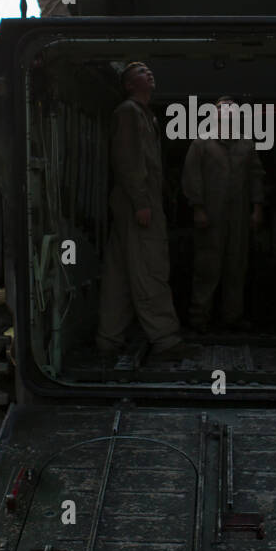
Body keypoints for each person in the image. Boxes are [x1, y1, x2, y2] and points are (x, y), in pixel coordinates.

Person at [97, 62, 189, 358]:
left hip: (133, 206)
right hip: (138, 207)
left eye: (150, 70)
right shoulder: (129, 112)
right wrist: (142, 203)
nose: (148, 73)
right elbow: (128, 160)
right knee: (150, 269)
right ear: (128, 84)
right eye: (139, 71)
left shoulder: (145, 116)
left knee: (121, 274)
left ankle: (108, 339)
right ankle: (165, 339)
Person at [181, 98, 265, 331]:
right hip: (210, 215)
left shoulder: (247, 145)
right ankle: (199, 318)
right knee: (207, 266)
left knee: (236, 265)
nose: (226, 112)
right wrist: (197, 208)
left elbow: (256, 176)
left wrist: (257, 209)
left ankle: (232, 317)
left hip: (238, 216)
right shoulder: (201, 144)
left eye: (231, 109)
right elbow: (191, 177)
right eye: (221, 108)